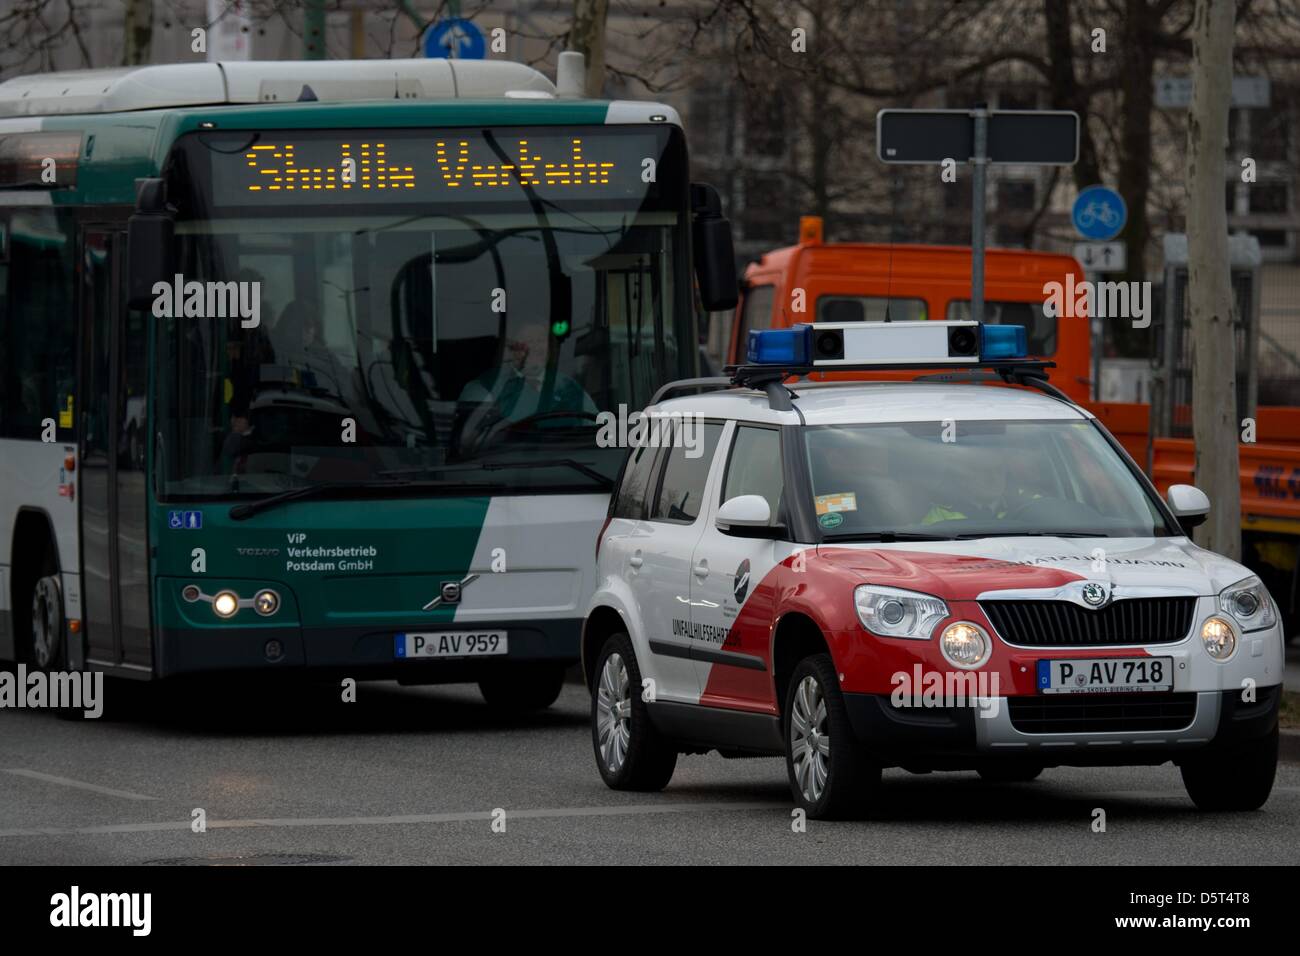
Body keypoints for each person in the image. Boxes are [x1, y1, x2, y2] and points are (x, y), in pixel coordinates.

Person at [456, 323, 596, 452]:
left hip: (572, 469)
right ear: (510, 348)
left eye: (540, 340)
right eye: (527, 340)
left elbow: (599, 432)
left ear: (550, 348)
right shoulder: (484, 387)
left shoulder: (570, 387)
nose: (534, 347)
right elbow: (468, 444)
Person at [921, 443, 1041, 526]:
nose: (993, 478)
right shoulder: (939, 516)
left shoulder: (1031, 504)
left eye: (999, 470)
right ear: (963, 478)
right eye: (984, 471)